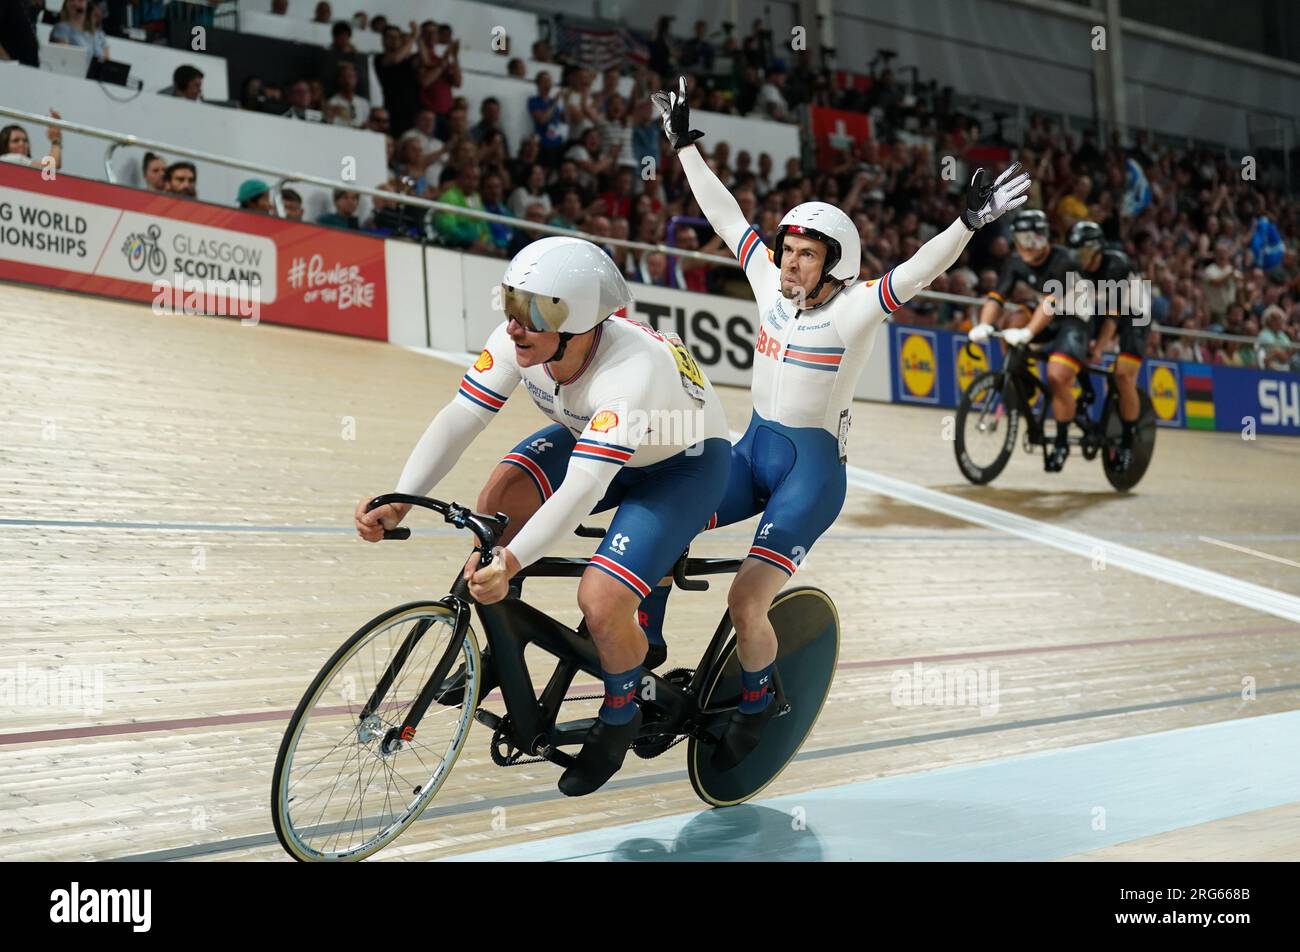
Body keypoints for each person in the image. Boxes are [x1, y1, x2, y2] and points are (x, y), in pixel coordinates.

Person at [656, 77, 1028, 766]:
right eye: (786, 249)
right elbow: (724, 214)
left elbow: (915, 272)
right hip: (751, 450)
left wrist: (966, 225)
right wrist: (683, 147)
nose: (787, 261)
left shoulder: (854, 310)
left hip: (810, 477)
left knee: (745, 603)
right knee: (657, 520)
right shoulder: (770, 281)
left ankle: (762, 697)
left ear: (835, 267)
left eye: (804, 254)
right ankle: (644, 645)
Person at [355, 238, 732, 796]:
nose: (514, 326)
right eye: (511, 304)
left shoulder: (631, 371)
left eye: (533, 313)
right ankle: (502, 641)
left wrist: (511, 560)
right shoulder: (522, 338)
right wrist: (402, 495)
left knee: (601, 600)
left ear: (579, 326)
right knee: (498, 502)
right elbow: (462, 417)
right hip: (597, 437)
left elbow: (583, 485)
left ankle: (621, 712)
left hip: (681, 467)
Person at [968, 208, 1080, 471]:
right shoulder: (1017, 261)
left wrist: (1029, 334)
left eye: (1030, 239)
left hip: (1072, 321)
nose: (1024, 246)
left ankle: (1062, 442)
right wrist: (984, 324)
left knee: (1055, 376)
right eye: (1020, 239)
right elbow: (997, 297)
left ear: (1043, 237)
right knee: (1011, 320)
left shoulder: (1063, 259)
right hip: (1043, 314)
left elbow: (1051, 303)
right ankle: (1022, 378)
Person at [1065, 220, 1146, 470]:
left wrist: (1099, 348)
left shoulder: (1117, 265)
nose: (1080, 258)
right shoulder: (1076, 267)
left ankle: (1128, 442)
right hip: (1101, 310)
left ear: (1098, 250)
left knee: (1123, 376)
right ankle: (1087, 390)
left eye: (1085, 253)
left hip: (1134, 315)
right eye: (1076, 252)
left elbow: (1114, 316)